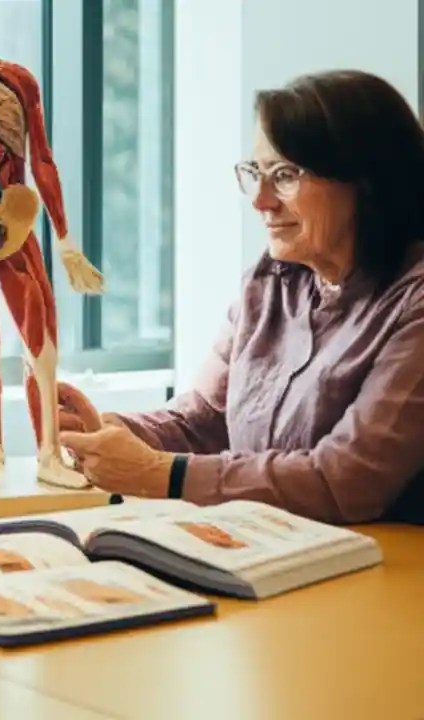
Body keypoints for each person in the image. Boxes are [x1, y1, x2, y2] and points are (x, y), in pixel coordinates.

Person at [58, 69, 424, 525]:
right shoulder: (269, 281)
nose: (261, 201)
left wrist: (161, 474)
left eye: (285, 175)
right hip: (271, 549)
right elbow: (201, 421)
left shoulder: (415, 301)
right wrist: (105, 431)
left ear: (366, 182)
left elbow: (346, 479)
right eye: (257, 173)